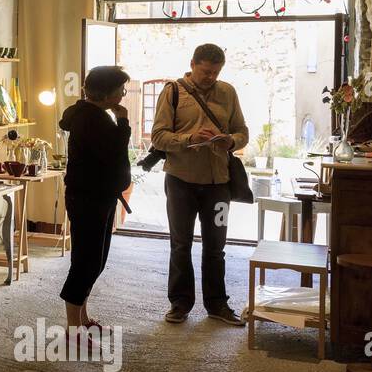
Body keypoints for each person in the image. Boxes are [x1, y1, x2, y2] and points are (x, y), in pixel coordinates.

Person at [150, 43, 250, 325]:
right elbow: (158, 137)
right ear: (192, 64)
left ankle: (217, 304)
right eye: (206, 71)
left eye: (216, 72)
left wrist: (231, 141)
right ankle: (180, 303)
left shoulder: (228, 92)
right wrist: (190, 140)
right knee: (180, 244)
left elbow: (242, 132)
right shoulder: (172, 92)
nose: (210, 77)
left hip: (219, 182)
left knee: (216, 247)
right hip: (181, 180)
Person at [57, 66, 131, 331]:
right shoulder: (91, 118)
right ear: (107, 92)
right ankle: (72, 328)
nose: (123, 94)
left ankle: (83, 318)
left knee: (94, 261)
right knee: (86, 263)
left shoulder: (94, 114)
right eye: (120, 90)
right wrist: (123, 123)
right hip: (89, 198)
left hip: (100, 196)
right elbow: (114, 153)